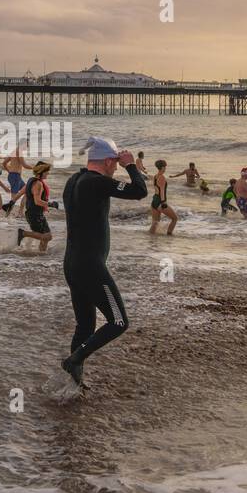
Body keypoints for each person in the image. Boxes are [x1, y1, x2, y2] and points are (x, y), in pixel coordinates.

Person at [60, 137, 148, 388]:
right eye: (116, 163)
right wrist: (132, 166)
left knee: (84, 326)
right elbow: (139, 191)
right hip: (90, 267)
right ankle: (74, 360)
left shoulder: (73, 181)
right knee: (119, 321)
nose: (117, 168)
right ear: (108, 160)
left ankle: (73, 384)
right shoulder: (97, 182)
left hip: (72, 264)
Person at [17, 161, 54, 252]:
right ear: (41, 172)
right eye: (46, 171)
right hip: (34, 215)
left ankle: (41, 255)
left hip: (35, 214)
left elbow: (20, 193)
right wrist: (50, 204)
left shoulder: (31, 180)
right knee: (48, 237)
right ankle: (23, 233)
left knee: (45, 239)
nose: (48, 173)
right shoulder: (38, 184)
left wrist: (12, 202)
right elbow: (37, 201)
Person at [148, 159, 178, 235]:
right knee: (175, 218)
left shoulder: (155, 176)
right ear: (162, 167)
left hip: (154, 200)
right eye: (165, 167)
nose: (165, 168)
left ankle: (150, 237)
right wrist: (163, 202)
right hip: (160, 201)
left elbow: (156, 189)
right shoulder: (162, 177)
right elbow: (162, 191)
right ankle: (169, 235)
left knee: (155, 222)